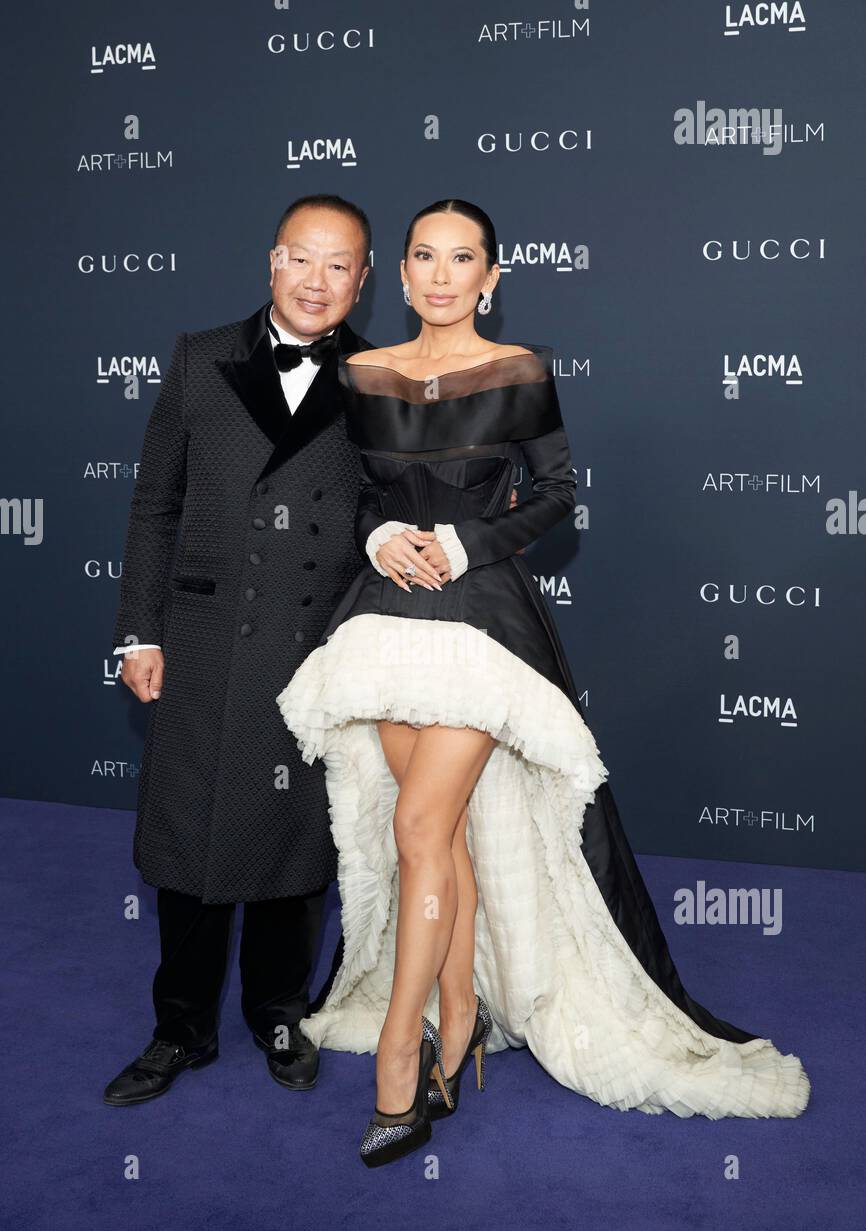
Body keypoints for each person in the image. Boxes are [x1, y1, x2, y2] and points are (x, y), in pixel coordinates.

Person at [276, 198, 811, 1167]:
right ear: (399, 275)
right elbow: (348, 493)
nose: (441, 275)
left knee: (415, 829)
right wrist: (379, 532)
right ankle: (457, 1008)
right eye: (423, 257)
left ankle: (401, 1060)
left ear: (490, 276)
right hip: (381, 624)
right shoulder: (362, 374)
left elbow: (558, 495)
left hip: (481, 625)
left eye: (462, 259)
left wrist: (457, 539)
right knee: (437, 834)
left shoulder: (520, 373)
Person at [104, 195, 378, 1104]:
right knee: (187, 837)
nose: (316, 281)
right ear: (271, 262)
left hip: (312, 649)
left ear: (363, 279)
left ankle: (277, 1010)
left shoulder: (381, 381)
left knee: (293, 848)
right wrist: (139, 630)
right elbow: (155, 508)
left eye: (338, 266)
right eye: (302, 259)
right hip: (203, 642)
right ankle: (179, 1029)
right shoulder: (200, 357)